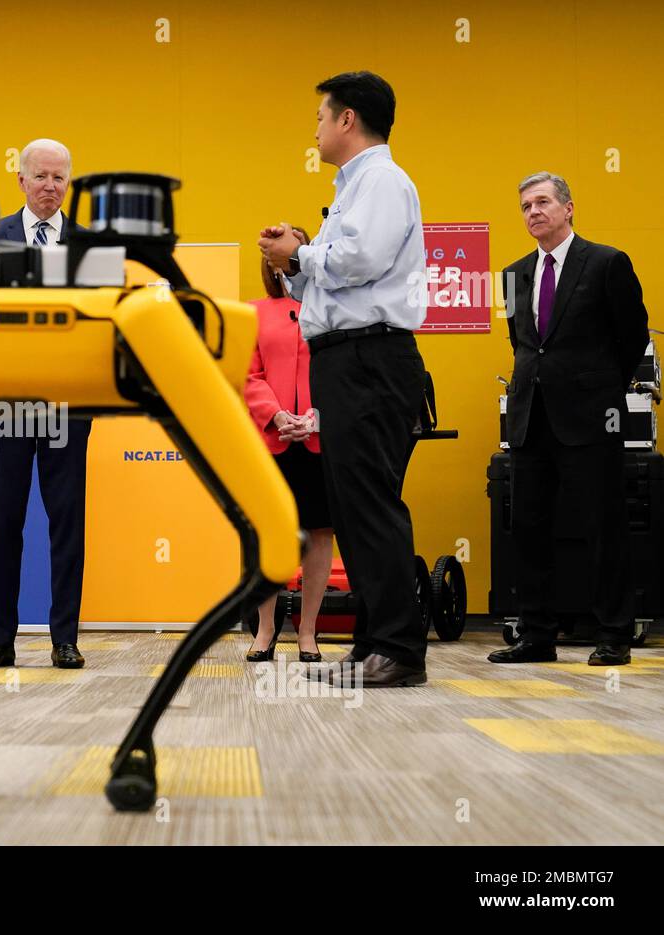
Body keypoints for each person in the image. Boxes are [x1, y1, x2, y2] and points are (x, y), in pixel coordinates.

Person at [259, 71, 428, 688]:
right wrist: (294, 266)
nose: (317, 128)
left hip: (371, 358)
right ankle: (372, 644)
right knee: (354, 509)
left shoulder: (381, 180)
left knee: (372, 505)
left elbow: (360, 262)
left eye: (322, 116)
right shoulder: (353, 187)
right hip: (345, 356)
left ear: (348, 119)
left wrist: (299, 256)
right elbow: (330, 282)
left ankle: (400, 650)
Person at [488, 172, 648, 667]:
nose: (533, 212)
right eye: (525, 206)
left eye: (542, 203)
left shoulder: (606, 263)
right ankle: (537, 637)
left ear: (568, 208)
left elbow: (632, 337)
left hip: (591, 418)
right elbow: (522, 343)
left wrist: (599, 388)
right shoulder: (513, 275)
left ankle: (614, 634)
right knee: (530, 529)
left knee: (603, 527)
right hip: (531, 419)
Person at [0, 139, 92, 670]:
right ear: (20, 180)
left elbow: (97, 325)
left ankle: (65, 638)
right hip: (5, 405)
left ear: (69, 184)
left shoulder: (91, 246)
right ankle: (0, 638)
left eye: (59, 178)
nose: (49, 186)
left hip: (69, 405)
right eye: (40, 176)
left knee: (67, 523)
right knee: (3, 524)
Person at [243, 235, 334, 663]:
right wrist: (277, 416)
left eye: (295, 248)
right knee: (270, 536)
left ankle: (309, 633)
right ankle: (264, 631)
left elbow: (340, 372)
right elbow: (248, 374)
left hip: (320, 439)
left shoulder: (332, 309)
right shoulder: (254, 313)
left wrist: (317, 414)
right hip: (272, 439)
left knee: (319, 534)